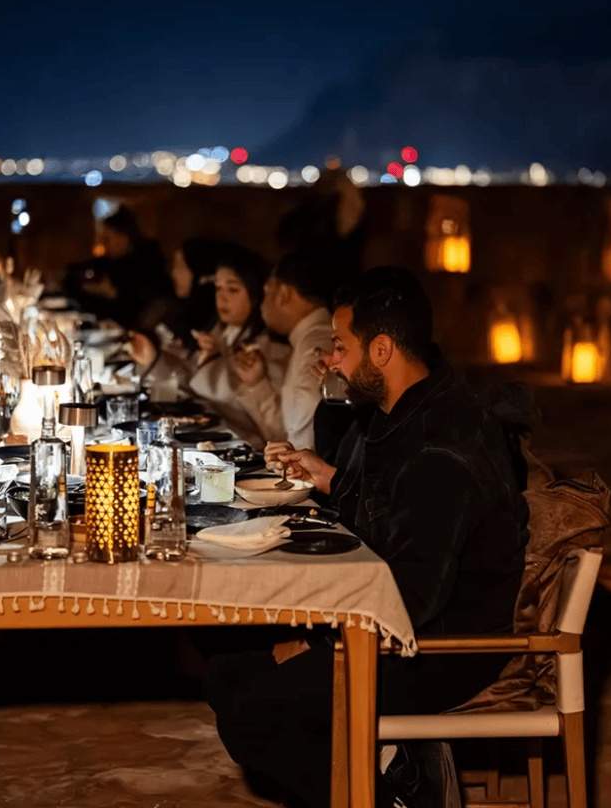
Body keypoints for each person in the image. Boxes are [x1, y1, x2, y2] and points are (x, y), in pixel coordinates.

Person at [206, 267, 528, 808]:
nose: (330, 360)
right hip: (395, 621)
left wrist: (313, 642)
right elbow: (394, 510)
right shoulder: (403, 411)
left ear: (381, 350)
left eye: (339, 346)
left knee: (251, 710)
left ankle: (390, 796)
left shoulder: (440, 446)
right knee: (227, 667)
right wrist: (330, 476)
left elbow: (413, 594)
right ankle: (393, 763)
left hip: (441, 647)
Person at [129, 249, 282, 446]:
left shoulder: (266, 348)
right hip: (211, 438)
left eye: (233, 290)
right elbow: (192, 390)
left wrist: (213, 362)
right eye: (218, 288)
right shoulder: (221, 331)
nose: (222, 298)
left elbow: (237, 410)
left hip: (245, 445)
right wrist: (154, 360)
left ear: (257, 293)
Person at [230, 252, 336, 448]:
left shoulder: (316, 342)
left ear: (283, 294)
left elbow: (302, 443)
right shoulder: (305, 340)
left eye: (266, 291)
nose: (262, 306)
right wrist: (257, 383)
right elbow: (289, 432)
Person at [69, 205, 171, 332]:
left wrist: (111, 293)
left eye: (107, 239)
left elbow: (139, 311)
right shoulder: (110, 260)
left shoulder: (148, 264)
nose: (104, 244)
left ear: (123, 237)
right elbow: (74, 274)